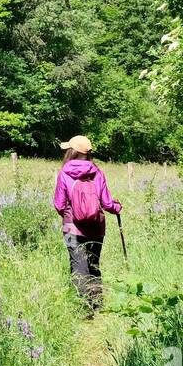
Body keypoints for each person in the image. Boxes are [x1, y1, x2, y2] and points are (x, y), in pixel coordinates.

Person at [53, 135, 122, 316]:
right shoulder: (97, 172)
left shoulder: (64, 173)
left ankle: (83, 309)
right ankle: (97, 305)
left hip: (71, 228)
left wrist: (70, 215)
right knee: (93, 265)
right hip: (96, 227)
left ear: (72, 151)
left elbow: (59, 205)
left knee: (78, 266)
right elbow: (107, 204)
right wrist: (118, 207)